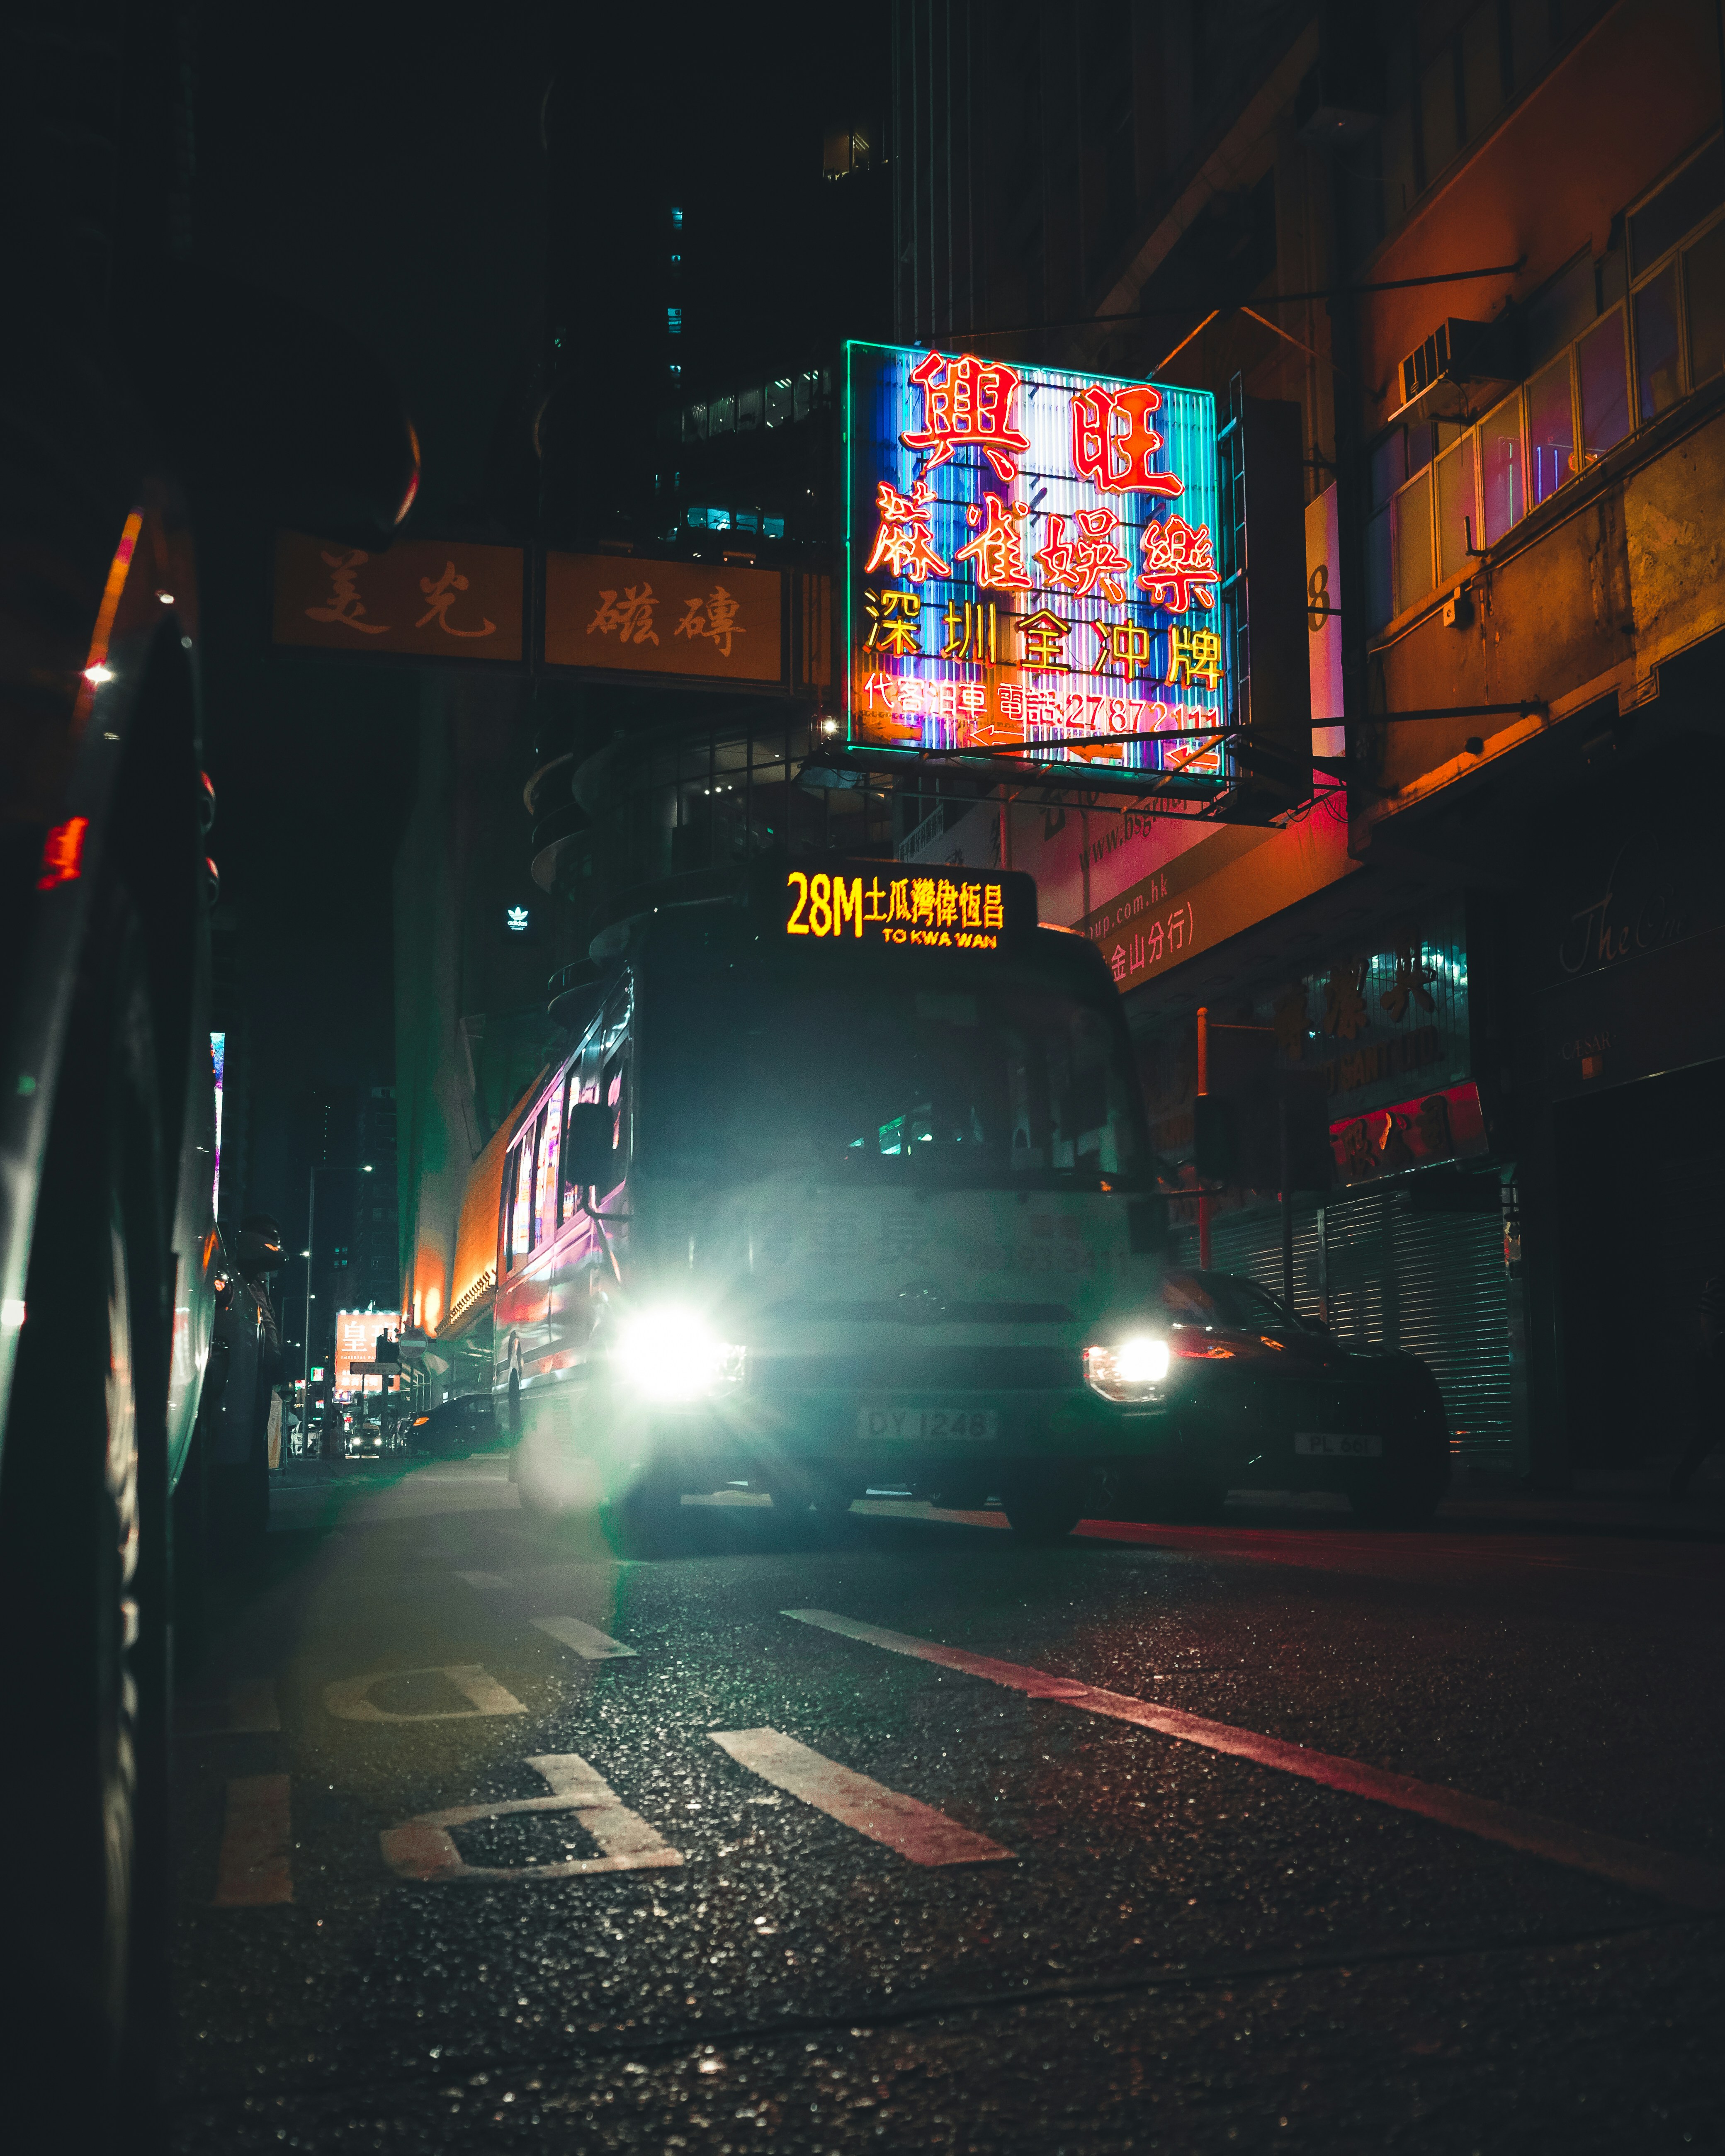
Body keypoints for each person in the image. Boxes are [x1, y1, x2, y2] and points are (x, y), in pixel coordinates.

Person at [1669, 1270, 1725, 1498]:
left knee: (1712, 1428)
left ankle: (1680, 1480)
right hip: (1714, 1364)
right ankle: (1680, 1480)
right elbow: (1707, 1324)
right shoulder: (1719, 1284)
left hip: (1713, 1361)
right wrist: (1716, 1359)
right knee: (1712, 1427)